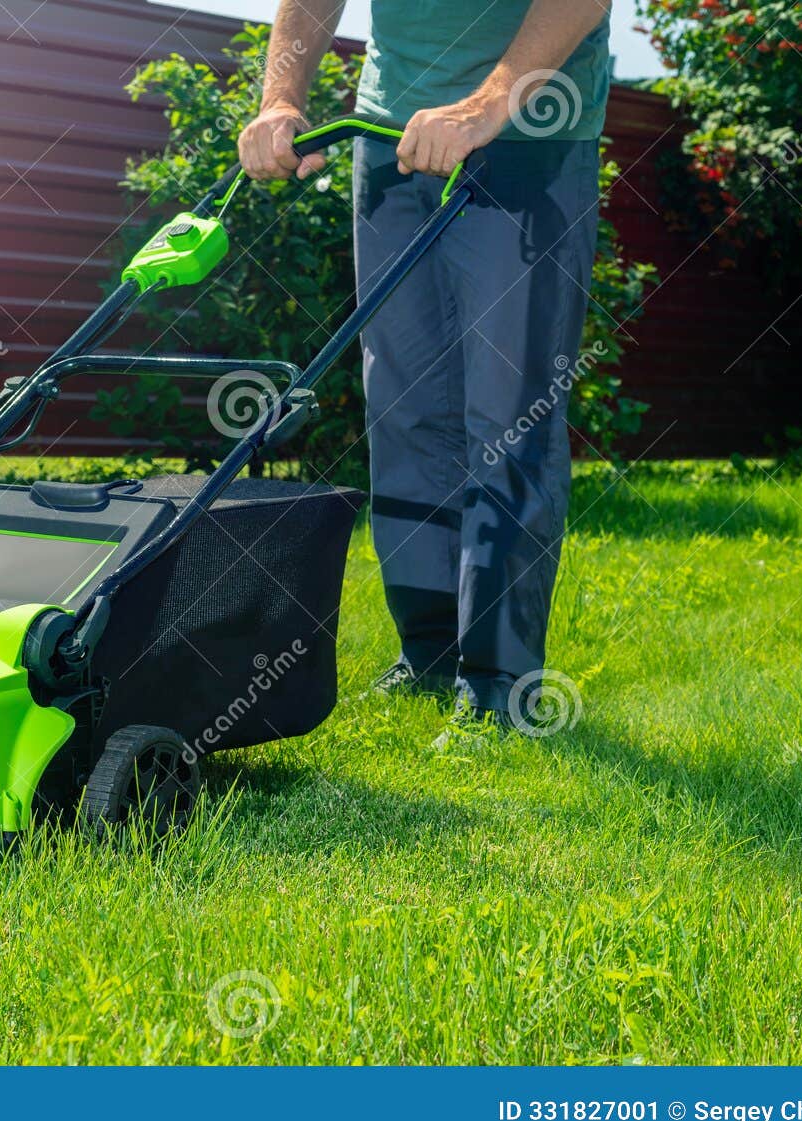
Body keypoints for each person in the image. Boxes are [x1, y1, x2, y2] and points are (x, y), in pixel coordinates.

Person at [238, 0, 611, 741]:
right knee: (403, 405)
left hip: (526, 130)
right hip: (388, 137)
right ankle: (430, 652)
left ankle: (500, 680)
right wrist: (281, 97)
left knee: (510, 412)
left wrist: (481, 109)